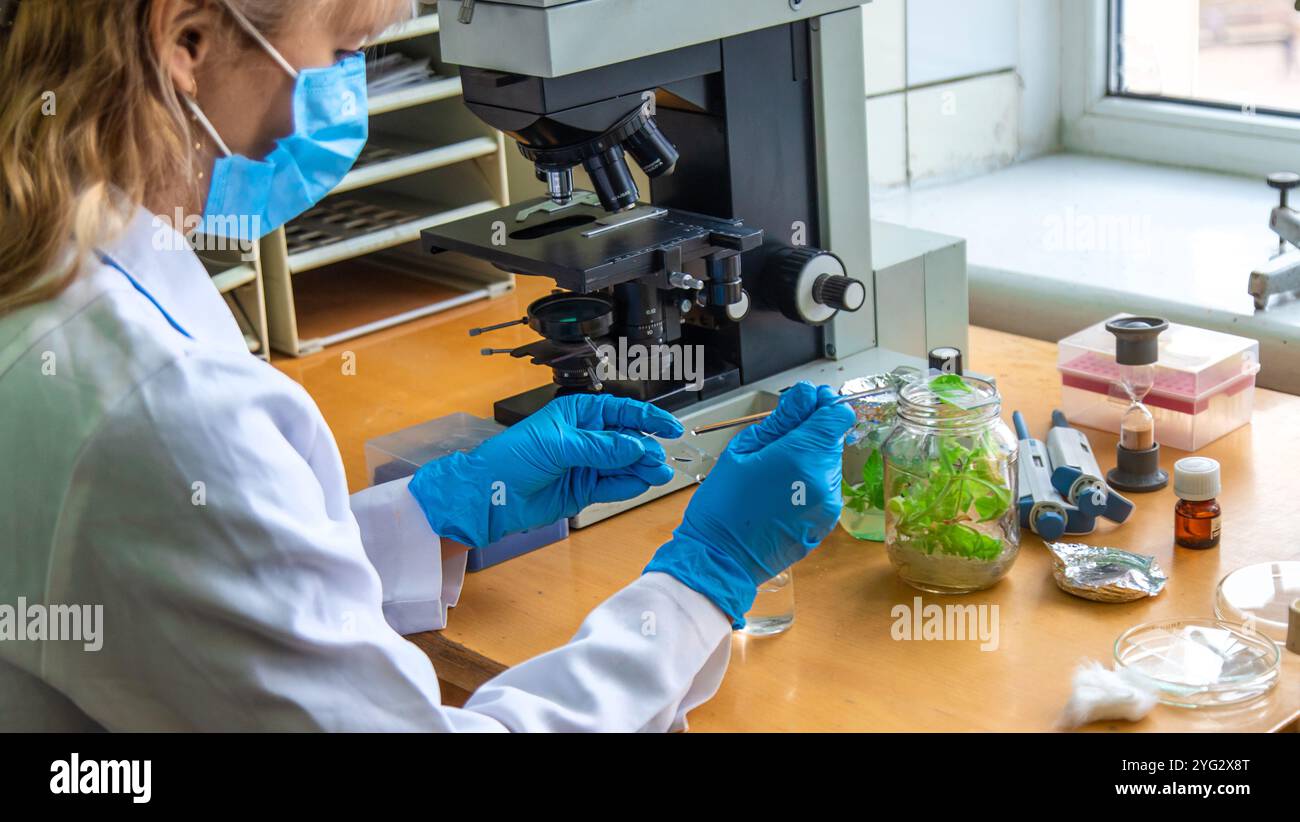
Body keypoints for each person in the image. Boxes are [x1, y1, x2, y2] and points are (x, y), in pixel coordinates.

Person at [0, 0, 854, 731]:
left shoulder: (61, 267)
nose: (347, 95)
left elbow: (207, 582)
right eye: (342, 52)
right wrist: (699, 582)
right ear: (185, 41)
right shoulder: (164, 405)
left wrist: (432, 512)